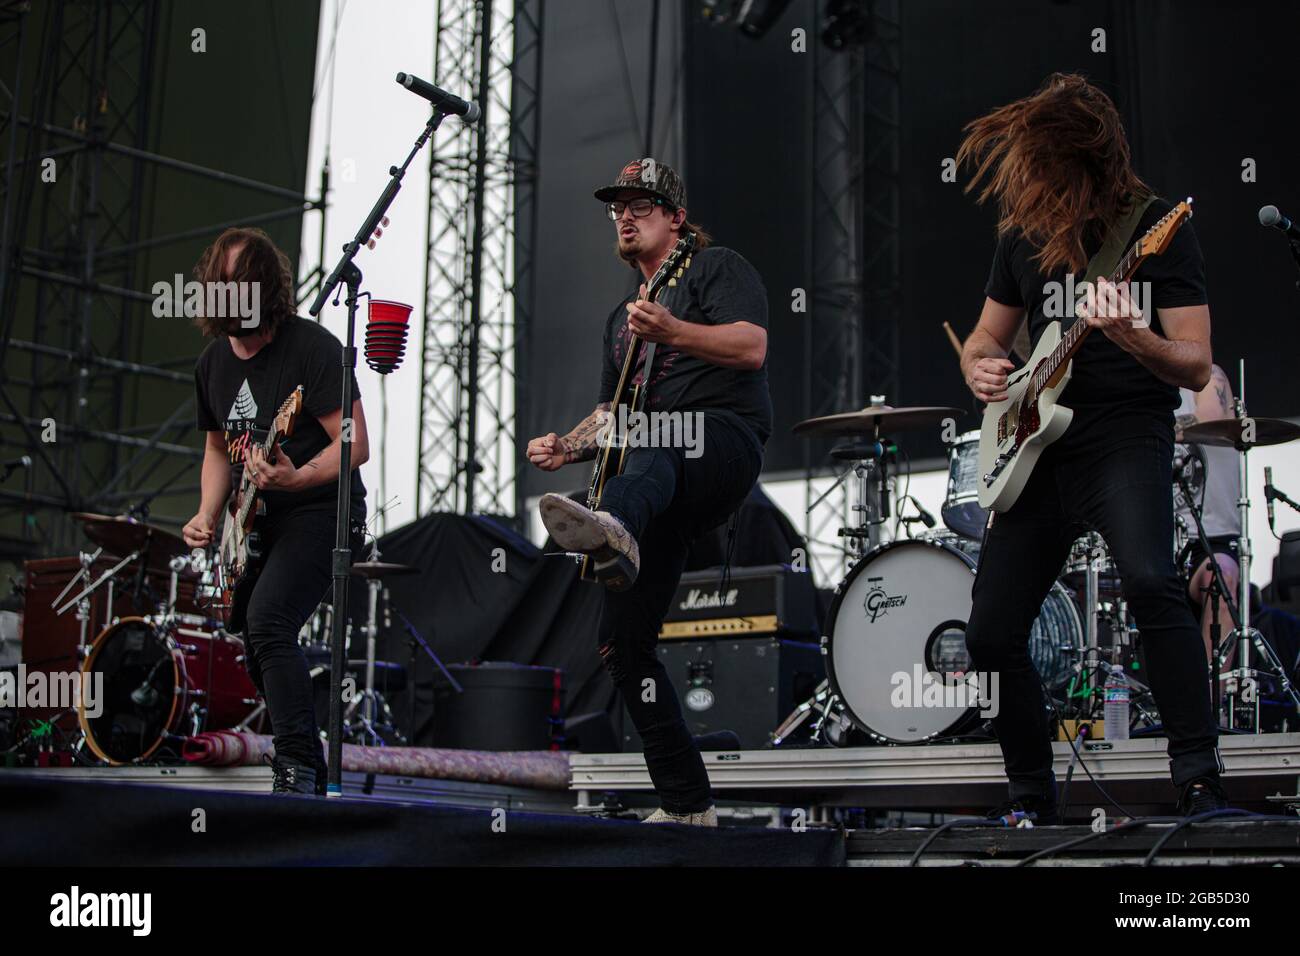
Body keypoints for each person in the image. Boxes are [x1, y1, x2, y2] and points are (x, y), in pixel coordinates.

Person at [956, 74, 1226, 821]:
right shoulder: (1020, 236)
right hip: (1036, 446)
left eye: (1043, 167)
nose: (1031, 182)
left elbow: (1196, 362)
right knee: (988, 632)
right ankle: (1030, 797)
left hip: (1123, 435)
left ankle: (1198, 778)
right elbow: (987, 332)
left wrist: (1132, 336)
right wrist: (978, 362)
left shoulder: (1157, 227)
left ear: (1082, 162)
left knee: (1149, 580)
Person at [527, 159, 771, 826]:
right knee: (620, 646)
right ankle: (688, 804)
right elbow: (613, 417)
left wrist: (676, 332)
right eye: (618, 207)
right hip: (656, 477)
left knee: (657, 435)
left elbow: (751, 347)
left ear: (676, 218)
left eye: (642, 205)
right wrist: (566, 447)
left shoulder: (717, 270)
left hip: (723, 443)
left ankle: (614, 524)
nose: (625, 216)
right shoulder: (619, 321)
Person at [182, 227, 368, 795]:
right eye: (220, 284)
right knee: (254, 642)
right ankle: (305, 756)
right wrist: (208, 514)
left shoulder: (311, 347)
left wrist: (296, 475)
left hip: (321, 509)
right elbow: (217, 448)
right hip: (256, 518)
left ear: (265, 288)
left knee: (269, 621)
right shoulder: (212, 363)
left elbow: (356, 442)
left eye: (238, 283)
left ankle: (295, 767)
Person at [1174, 364, 1242, 666]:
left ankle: (1210, 706)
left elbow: (1211, 420)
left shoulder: (1206, 377)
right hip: (1153, 536)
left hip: (1207, 540)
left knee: (1222, 577)